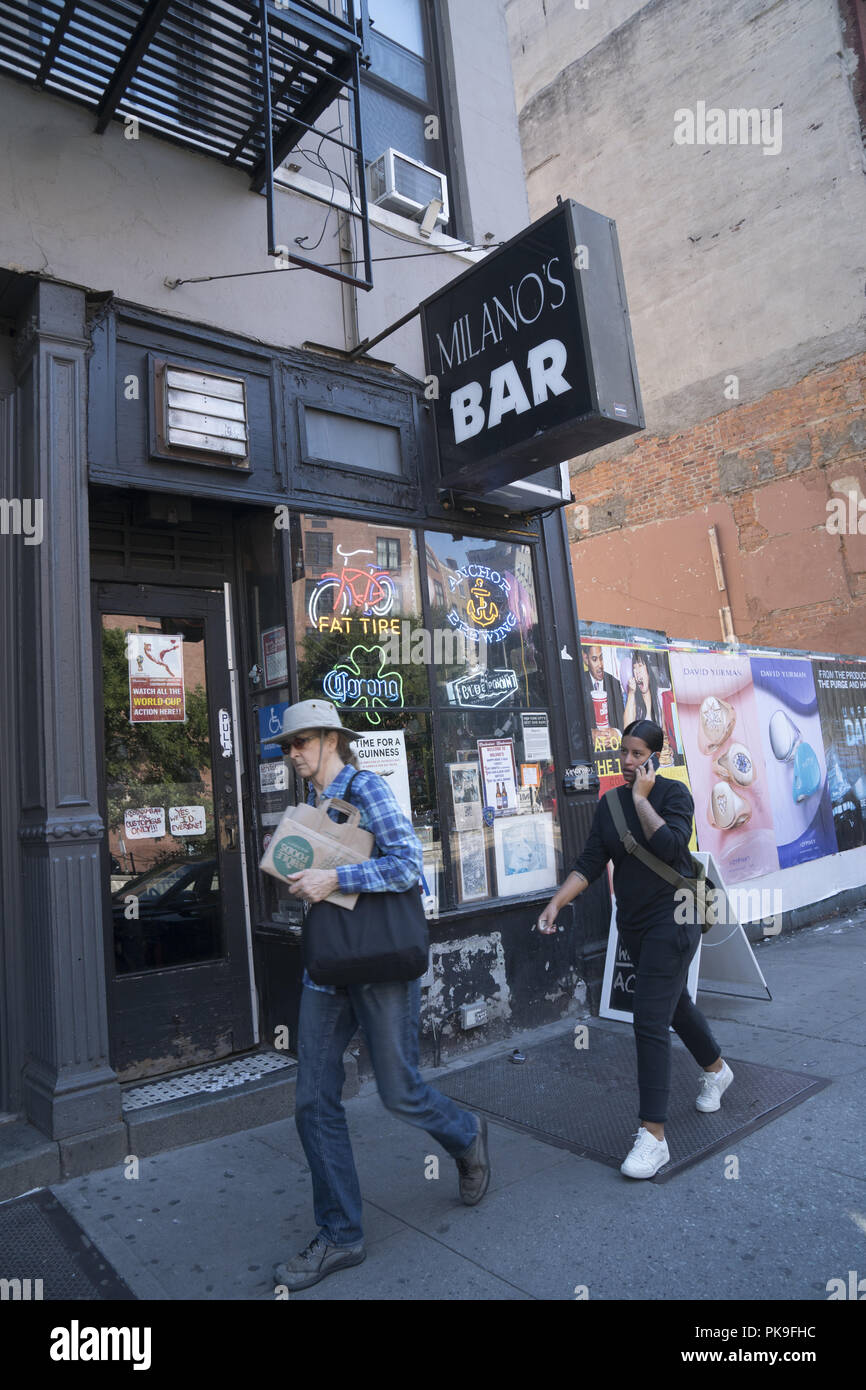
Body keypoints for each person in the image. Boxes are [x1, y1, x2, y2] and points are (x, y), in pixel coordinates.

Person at [264, 699, 490, 1291]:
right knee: (313, 1100)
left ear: (332, 740)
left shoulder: (369, 789)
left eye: (300, 743)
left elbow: (409, 866)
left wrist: (335, 876)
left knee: (399, 1091)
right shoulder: (312, 806)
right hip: (327, 969)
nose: (291, 755)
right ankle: (340, 1233)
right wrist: (308, 882)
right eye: (286, 748)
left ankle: (465, 1135)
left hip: (381, 964)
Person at [536, 719, 733, 1178]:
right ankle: (716, 1068)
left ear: (655, 757)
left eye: (638, 753)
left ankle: (654, 1136)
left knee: (648, 1020)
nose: (627, 761)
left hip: (676, 918)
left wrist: (643, 800)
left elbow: (670, 847)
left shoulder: (672, 796)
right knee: (675, 1004)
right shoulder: (608, 805)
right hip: (636, 926)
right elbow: (589, 862)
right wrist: (556, 903)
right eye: (624, 751)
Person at [583, 642, 625, 734]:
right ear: (586, 660)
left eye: (601, 658)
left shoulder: (614, 683)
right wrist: (590, 734)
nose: (600, 665)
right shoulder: (580, 683)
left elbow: (622, 722)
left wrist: (616, 732)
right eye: (594, 659)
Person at [623, 651, 663, 728]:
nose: (637, 672)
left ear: (649, 671)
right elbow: (627, 728)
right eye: (634, 668)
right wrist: (631, 693)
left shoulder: (661, 696)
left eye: (640, 666)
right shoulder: (633, 699)